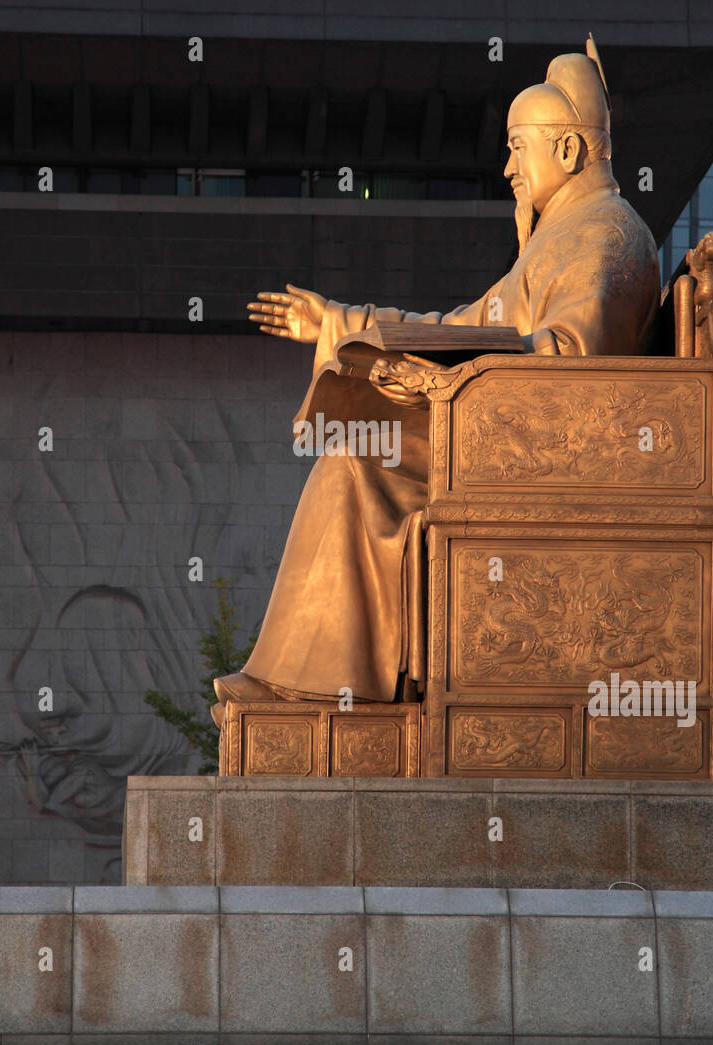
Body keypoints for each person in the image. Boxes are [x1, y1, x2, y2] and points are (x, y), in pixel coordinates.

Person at [212, 38, 660, 722]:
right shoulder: (561, 236)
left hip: (538, 463)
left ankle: (322, 694)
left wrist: (438, 379)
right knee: (355, 456)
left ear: (566, 153)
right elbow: (466, 323)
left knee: (352, 469)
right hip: (500, 442)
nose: (507, 165)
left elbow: (569, 363)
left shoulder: (605, 238)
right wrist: (346, 321)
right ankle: (313, 685)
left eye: (518, 146)